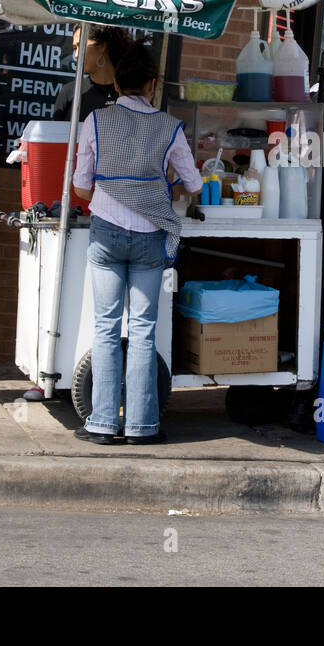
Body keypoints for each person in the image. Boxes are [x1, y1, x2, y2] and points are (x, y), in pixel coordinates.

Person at [71, 42, 202, 445]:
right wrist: (165, 183)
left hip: (106, 232)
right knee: (144, 331)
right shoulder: (170, 127)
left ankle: (102, 423)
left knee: (106, 328)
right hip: (150, 236)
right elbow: (194, 183)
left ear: (116, 81)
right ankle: (142, 426)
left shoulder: (96, 120)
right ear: (151, 83)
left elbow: (79, 184)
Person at [52, 24, 131, 121]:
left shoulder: (131, 92)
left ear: (102, 46)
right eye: (74, 48)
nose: (76, 55)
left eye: (80, 46)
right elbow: (54, 134)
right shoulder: (69, 92)